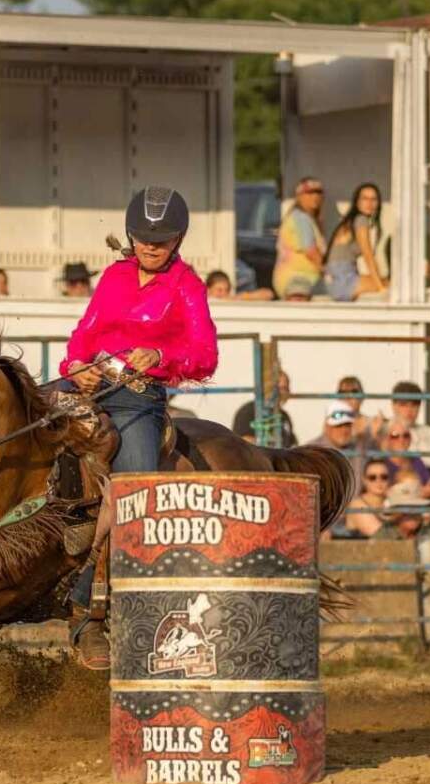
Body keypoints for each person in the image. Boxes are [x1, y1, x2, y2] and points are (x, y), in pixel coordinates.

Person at [62, 185, 218, 663]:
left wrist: (162, 356)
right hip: (88, 388)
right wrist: (74, 366)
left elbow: (205, 356)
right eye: (144, 238)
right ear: (131, 236)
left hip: (138, 397)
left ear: (178, 240)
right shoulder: (113, 277)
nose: (152, 246)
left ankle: (88, 602)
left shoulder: (187, 287)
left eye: (163, 239)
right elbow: (82, 337)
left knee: (129, 488)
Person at [325, 182, 388, 301]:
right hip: (343, 278)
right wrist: (380, 288)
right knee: (392, 284)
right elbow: (368, 255)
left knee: (387, 282)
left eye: (373, 199)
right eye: (365, 198)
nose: (369, 203)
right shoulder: (360, 220)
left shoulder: (351, 220)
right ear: (357, 201)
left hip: (335, 279)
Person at [272, 176, 326, 300]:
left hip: (305, 279)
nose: (315, 197)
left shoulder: (307, 218)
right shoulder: (301, 218)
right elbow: (310, 251)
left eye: (318, 193)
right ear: (299, 196)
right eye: (309, 193)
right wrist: (328, 272)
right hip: (297, 279)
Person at [233, 368, 297, 447]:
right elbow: (243, 442)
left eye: (286, 388)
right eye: (279, 388)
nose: (283, 393)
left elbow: (292, 445)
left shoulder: (284, 416)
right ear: (268, 388)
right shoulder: (248, 411)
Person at [344, 458, 396, 537]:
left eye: (384, 477)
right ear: (364, 480)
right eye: (372, 477)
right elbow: (381, 535)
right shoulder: (357, 505)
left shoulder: (390, 503)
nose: (379, 481)